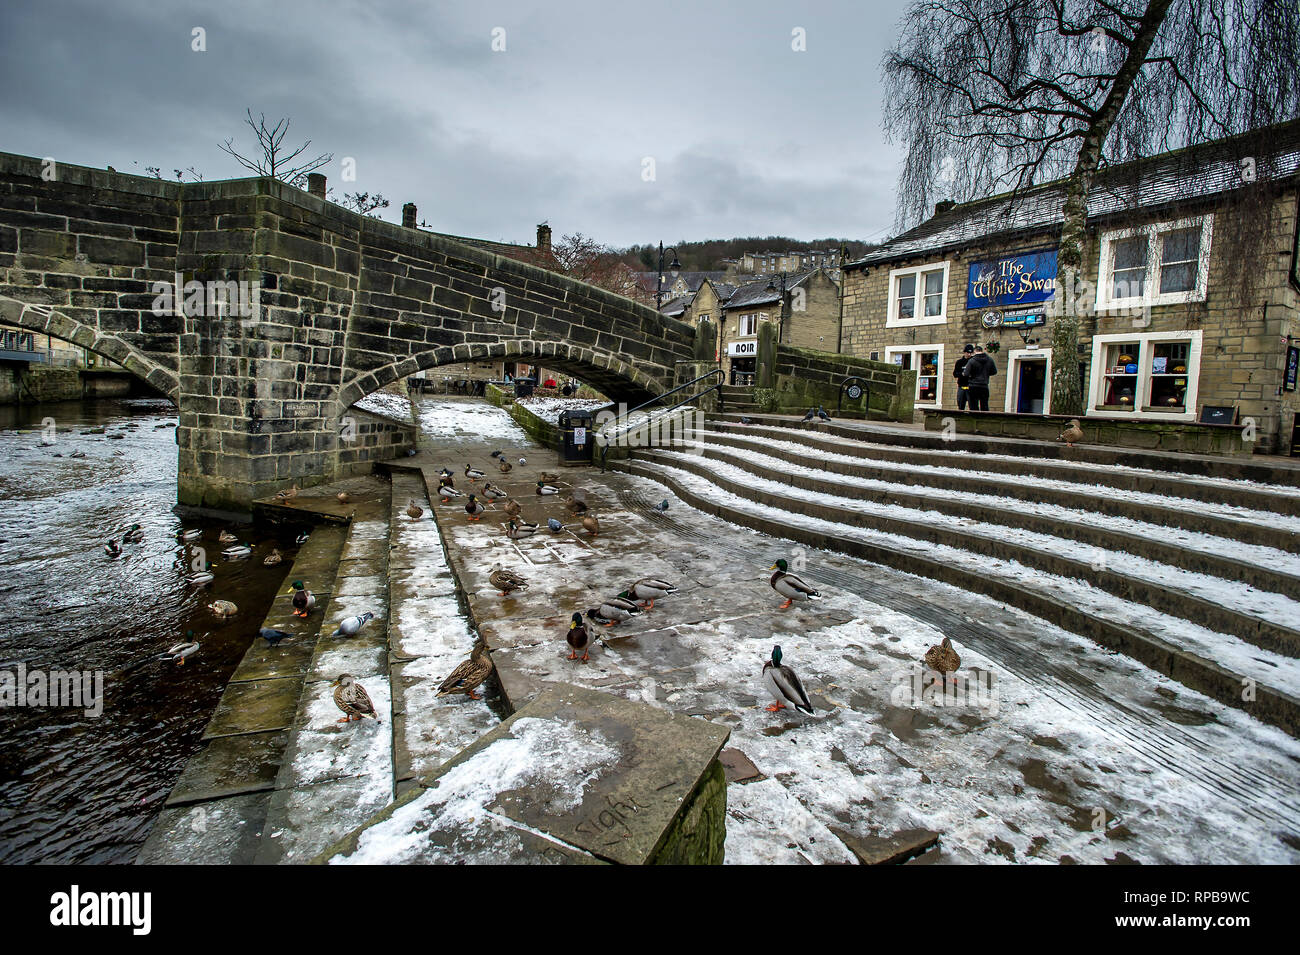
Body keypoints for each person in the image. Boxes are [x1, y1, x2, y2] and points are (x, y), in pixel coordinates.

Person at [963, 343, 997, 411]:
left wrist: (968, 374)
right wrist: (986, 374)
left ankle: (975, 420)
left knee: (973, 407)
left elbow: (966, 374)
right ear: (981, 351)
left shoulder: (972, 361)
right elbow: (994, 372)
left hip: (973, 386)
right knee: (984, 406)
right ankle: (984, 421)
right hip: (984, 386)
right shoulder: (990, 360)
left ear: (975, 351)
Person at [953, 344, 973, 411]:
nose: (969, 354)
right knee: (960, 404)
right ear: (964, 352)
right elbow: (955, 374)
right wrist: (962, 374)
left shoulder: (973, 361)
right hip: (961, 386)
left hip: (970, 386)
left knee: (972, 405)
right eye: (968, 352)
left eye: (970, 353)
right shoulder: (959, 362)